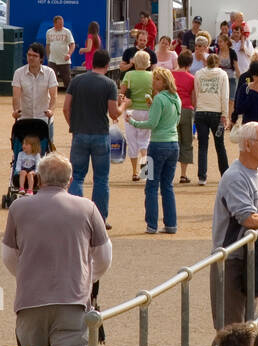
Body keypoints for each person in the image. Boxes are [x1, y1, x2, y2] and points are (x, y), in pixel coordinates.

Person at [1, 153, 110, 346]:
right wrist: (86, 277)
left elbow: (8, 255)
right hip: (72, 301)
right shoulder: (88, 208)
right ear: (70, 180)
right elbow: (104, 256)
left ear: (39, 179)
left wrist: (26, 273)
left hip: (30, 301)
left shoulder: (18, 207)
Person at [209, 121, 258, 329]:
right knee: (231, 332)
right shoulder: (235, 177)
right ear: (247, 145)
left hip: (251, 258)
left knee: (245, 328)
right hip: (231, 261)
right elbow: (247, 217)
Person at [63, 49, 123, 225]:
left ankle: (75, 216)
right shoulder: (109, 84)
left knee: (78, 176)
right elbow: (113, 113)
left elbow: (66, 108)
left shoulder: (77, 81)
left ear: (92, 63)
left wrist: (73, 125)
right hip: (100, 134)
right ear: (107, 64)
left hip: (80, 132)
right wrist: (124, 105)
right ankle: (99, 219)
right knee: (101, 178)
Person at [126, 66, 182, 234]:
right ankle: (171, 224)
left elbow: (152, 124)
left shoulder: (159, 99)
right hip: (173, 144)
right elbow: (175, 121)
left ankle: (152, 224)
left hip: (158, 144)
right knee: (167, 186)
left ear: (164, 82)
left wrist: (133, 122)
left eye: (156, 79)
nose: (153, 81)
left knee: (151, 184)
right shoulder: (176, 98)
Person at [193, 53, 230, 186]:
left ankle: (202, 176)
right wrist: (225, 114)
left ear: (206, 62)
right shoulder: (222, 74)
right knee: (220, 145)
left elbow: (197, 92)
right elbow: (225, 96)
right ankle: (225, 174)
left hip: (201, 111)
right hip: (216, 112)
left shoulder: (198, 73)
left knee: (203, 146)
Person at [11, 43, 58, 144]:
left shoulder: (50, 73)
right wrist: (16, 111)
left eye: (35, 56)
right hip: (25, 119)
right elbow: (16, 97)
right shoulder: (18, 73)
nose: (31, 58)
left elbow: (54, 96)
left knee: (46, 149)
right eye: (29, 55)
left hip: (44, 120)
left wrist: (51, 110)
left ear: (41, 58)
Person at [120, 50, 154, 182]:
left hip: (130, 110)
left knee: (132, 141)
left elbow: (122, 93)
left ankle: (134, 172)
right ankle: (146, 171)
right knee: (145, 141)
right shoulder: (152, 75)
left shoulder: (129, 74)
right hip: (147, 110)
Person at [172, 50, 196, 184]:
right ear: (189, 64)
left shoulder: (170, 74)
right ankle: (183, 174)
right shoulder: (191, 78)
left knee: (174, 141)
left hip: (173, 110)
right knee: (187, 142)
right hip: (187, 109)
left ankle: (170, 171)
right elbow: (193, 98)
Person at [46, 15, 77, 86]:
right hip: (53, 60)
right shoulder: (49, 32)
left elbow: (72, 44)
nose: (61, 25)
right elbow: (48, 45)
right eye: (59, 23)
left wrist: (69, 54)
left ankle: (70, 95)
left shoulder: (67, 32)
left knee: (67, 80)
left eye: (62, 23)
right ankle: (53, 96)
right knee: (51, 80)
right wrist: (48, 57)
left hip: (64, 60)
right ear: (54, 23)